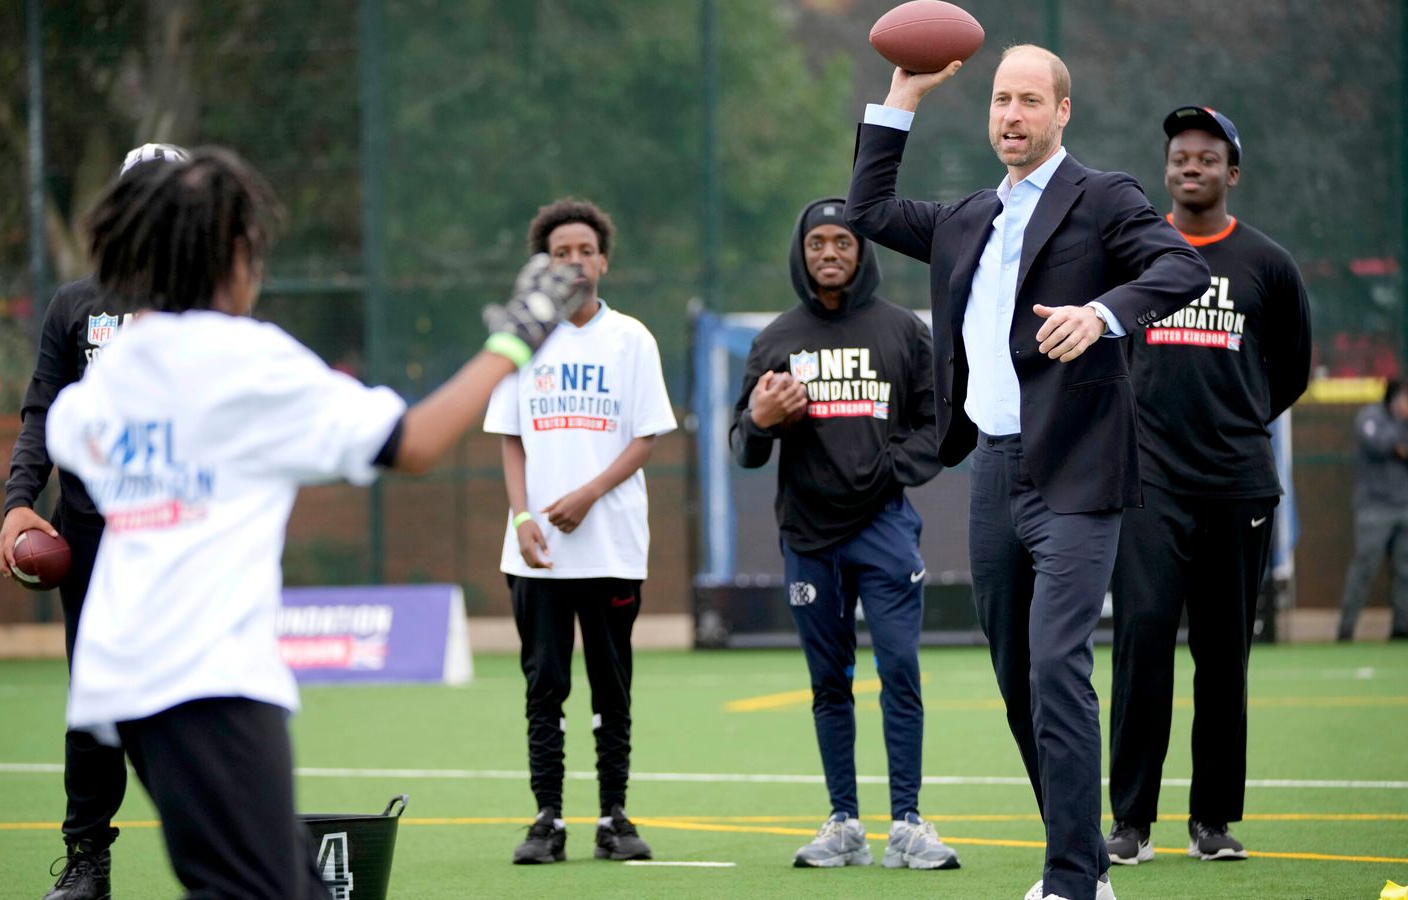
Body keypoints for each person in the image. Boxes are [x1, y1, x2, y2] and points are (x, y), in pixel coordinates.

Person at [43, 148, 583, 898]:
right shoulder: (250, 362)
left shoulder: (120, 367)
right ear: (232, 255)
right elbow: (416, 442)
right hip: (207, 681)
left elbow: (68, 431)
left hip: (125, 681)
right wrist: (519, 333)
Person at [845, 46, 1210, 900]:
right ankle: (1079, 845)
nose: (1011, 115)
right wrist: (903, 92)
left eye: (1030, 101)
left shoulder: (1103, 197)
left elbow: (1182, 266)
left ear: (1063, 112)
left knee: (1057, 666)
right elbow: (864, 207)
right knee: (1017, 679)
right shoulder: (968, 216)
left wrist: (1102, 313)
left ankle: (1074, 879)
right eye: (1001, 100)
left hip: (1080, 469)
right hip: (994, 471)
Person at [1104, 106, 1313, 869]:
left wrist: (1235, 423)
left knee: (1225, 657)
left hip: (1236, 485)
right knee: (1143, 641)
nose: (1191, 166)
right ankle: (1129, 822)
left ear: (1232, 173)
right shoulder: (1131, 255)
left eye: (1207, 158)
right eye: (1179, 156)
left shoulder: (1268, 264)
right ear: (1167, 169)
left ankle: (1213, 820)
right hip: (1149, 484)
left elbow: (1289, 370)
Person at [729, 198, 953, 870]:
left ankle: (909, 821)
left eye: (843, 242)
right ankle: (844, 823)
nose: (829, 253)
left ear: (863, 252)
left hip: (883, 529)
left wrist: (890, 467)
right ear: (801, 253)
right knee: (829, 682)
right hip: (809, 537)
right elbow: (743, 447)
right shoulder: (775, 339)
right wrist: (763, 419)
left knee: (900, 671)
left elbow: (940, 427)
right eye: (817, 243)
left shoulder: (904, 332)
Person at [0, 142, 188, 900]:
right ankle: (87, 859)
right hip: (88, 534)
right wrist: (17, 503)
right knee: (94, 700)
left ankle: (226, 853)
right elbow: (43, 408)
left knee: (190, 703)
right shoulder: (75, 304)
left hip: (178, 537)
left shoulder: (207, 307)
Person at [484, 198, 676, 866]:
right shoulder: (520, 339)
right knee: (544, 686)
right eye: (559, 252)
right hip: (536, 552)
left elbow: (647, 433)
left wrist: (591, 494)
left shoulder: (632, 339)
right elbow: (509, 438)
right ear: (542, 263)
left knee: (611, 685)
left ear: (603, 261)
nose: (573, 263)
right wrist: (524, 517)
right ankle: (547, 820)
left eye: (584, 251)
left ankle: (614, 818)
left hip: (613, 547)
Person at [1336, 377, 1408, 641]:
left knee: (1406, 570)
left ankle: (1403, 627)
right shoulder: (1370, 416)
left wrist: (1405, 445)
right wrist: (1400, 435)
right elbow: (1378, 444)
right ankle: (1345, 630)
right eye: (1406, 398)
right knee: (1364, 567)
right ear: (1393, 397)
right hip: (1374, 507)